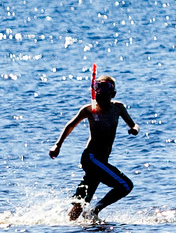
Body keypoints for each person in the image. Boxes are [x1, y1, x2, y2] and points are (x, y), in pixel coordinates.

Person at [49, 73, 143, 224]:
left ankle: (66, 226)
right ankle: (94, 211)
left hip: (100, 161)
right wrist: (57, 145)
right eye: (97, 90)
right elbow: (70, 125)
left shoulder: (118, 108)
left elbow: (133, 124)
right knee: (125, 185)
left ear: (113, 94)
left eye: (105, 90)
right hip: (91, 158)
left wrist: (134, 129)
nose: (100, 95)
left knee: (81, 203)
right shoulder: (89, 110)